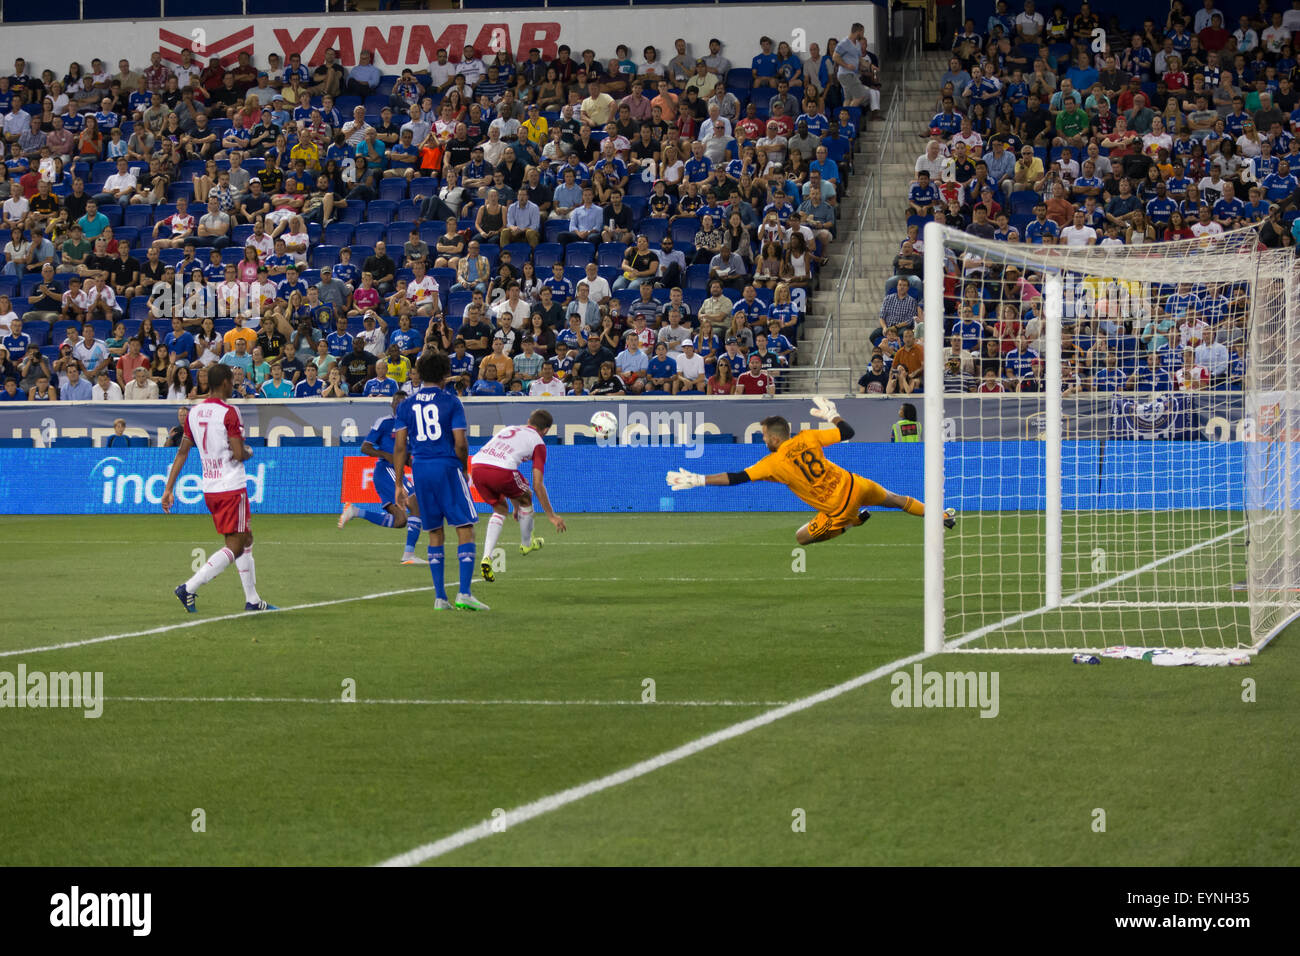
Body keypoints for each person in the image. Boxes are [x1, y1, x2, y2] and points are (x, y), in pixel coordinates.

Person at [666, 398, 957, 544]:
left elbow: (736, 478)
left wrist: (698, 479)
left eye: (765, 436)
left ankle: (852, 523)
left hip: (838, 507)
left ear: (776, 438)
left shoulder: (774, 462)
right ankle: (940, 514)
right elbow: (848, 432)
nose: (763, 440)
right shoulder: (807, 437)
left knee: (801, 537)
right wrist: (832, 414)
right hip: (856, 484)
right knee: (896, 499)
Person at [162, 364, 276, 613]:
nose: (234, 385)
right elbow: (238, 453)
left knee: (246, 538)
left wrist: (168, 488)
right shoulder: (230, 412)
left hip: (211, 488)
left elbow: (182, 452)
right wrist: (249, 451)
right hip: (232, 486)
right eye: (232, 381)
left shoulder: (194, 413)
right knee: (235, 546)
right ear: (224, 382)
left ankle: (253, 600)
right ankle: (189, 587)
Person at [391, 352, 488, 611]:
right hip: (446, 465)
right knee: (465, 526)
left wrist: (399, 484)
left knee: (434, 531)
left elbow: (400, 448)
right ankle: (464, 593)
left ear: (420, 374)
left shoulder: (405, 405)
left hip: (420, 470)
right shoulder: (452, 402)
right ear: (445, 375)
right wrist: (463, 468)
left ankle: (440, 597)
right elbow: (460, 442)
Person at [470, 408, 568, 582]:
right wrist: (551, 515)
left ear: (529, 421)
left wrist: (515, 506)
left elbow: (504, 469)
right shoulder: (538, 443)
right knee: (528, 495)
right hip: (502, 469)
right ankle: (526, 544)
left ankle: (487, 557)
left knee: (500, 508)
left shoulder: (509, 429)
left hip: (477, 466)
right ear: (545, 430)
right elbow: (538, 485)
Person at [337, 391, 426, 565]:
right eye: (396, 401)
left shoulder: (413, 425)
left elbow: (406, 455)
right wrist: (386, 455)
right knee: (416, 505)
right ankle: (408, 555)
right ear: (392, 405)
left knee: (400, 520)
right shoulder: (384, 422)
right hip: (386, 470)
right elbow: (365, 447)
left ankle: (355, 511)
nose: (399, 404)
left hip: (396, 472)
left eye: (403, 402)